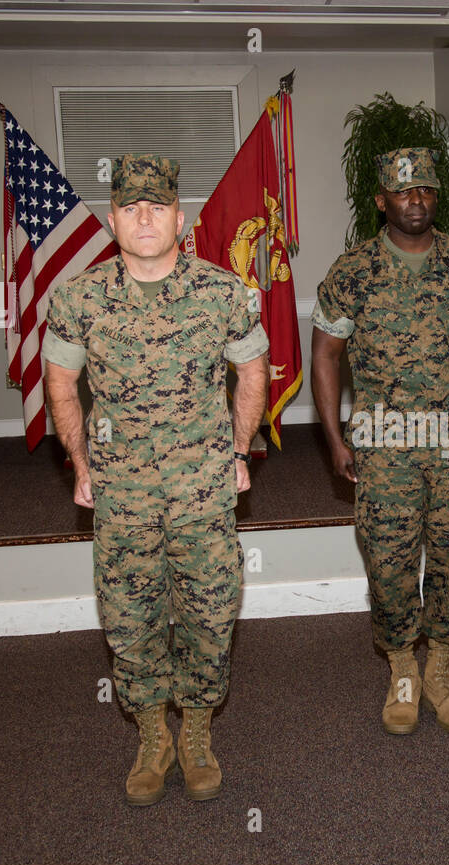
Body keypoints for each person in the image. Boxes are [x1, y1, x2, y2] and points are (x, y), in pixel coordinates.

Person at [42, 154, 270, 803]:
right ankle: (152, 735)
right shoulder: (78, 298)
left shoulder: (225, 293)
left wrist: (238, 450)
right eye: (131, 205)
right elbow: (59, 381)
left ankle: (195, 730)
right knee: (129, 615)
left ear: (180, 215)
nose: (145, 216)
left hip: (203, 488)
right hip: (123, 493)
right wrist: (81, 463)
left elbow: (253, 372)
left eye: (158, 205)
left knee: (210, 610)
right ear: (113, 216)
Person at [311, 147, 449, 735]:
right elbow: (326, 355)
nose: (416, 201)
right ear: (382, 201)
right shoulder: (352, 272)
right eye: (403, 192)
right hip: (384, 437)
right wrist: (333, 437)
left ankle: (441, 671)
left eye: (425, 190)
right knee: (389, 557)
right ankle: (403, 669)